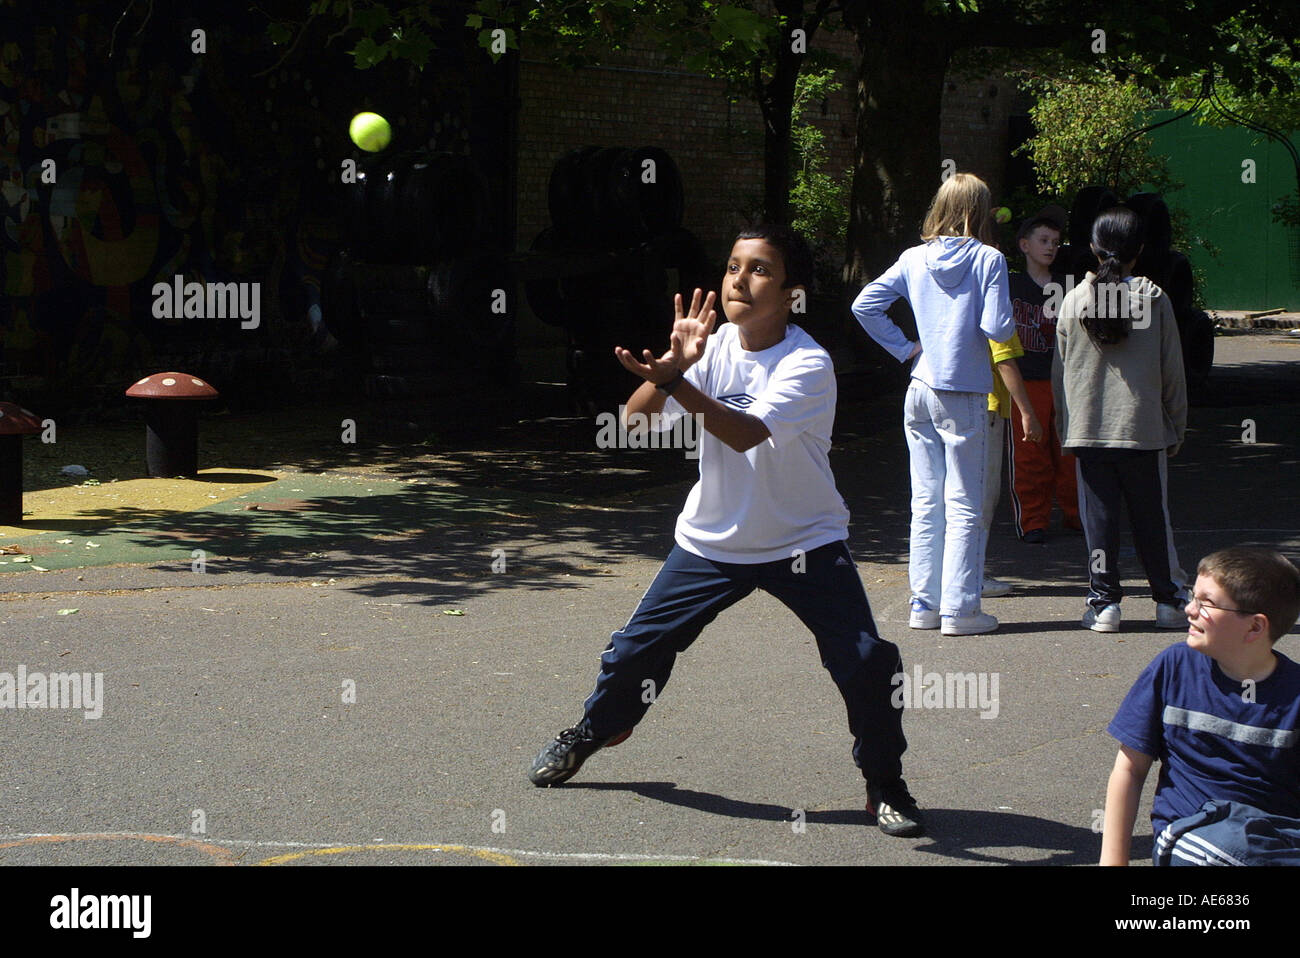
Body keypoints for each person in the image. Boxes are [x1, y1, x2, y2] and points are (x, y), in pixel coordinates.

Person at [528, 224, 924, 838]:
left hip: (804, 543)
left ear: (793, 291)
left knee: (868, 661)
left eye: (760, 269)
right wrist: (673, 370)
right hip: (713, 542)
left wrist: (678, 380)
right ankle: (597, 727)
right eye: (733, 266)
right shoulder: (711, 352)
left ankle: (885, 781)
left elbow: (743, 433)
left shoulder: (808, 363)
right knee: (635, 652)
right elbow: (635, 426)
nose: (740, 279)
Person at [852, 172, 1016, 636]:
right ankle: (961, 610)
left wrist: (906, 347)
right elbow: (999, 326)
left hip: (919, 387)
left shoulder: (913, 257)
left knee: (925, 501)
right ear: (980, 211)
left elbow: (865, 305)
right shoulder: (989, 259)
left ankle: (924, 604)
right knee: (964, 504)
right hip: (963, 391)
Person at [1100, 546, 1300, 865]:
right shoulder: (1174, 669)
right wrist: (1113, 862)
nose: (1190, 609)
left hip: (1274, 843)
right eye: (1193, 596)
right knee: (1219, 851)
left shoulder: (1294, 695)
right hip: (1193, 838)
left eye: (1206, 602)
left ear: (1255, 627)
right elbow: (1129, 769)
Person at [1052, 206, 1187, 632]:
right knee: (1152, 518)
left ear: (1092, 248)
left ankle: (1105, 603)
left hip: (1089, 430)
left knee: (1100, 522)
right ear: (1140, 250)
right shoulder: (1154, 299)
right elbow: (1173, 371)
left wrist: (1064, 430)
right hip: (1142, 429)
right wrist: (1175, 426)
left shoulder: (1073, 301)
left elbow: (1061, 375)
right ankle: (1167, 602)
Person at [1007, 208, 1079, 544]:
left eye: (1055, 242)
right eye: (1043, 240)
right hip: (1025, 382)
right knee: (1030, 454)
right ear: (1024, 245)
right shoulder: (1009, 285)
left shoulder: (1069, 288)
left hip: (1064, 381)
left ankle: (1077, 515)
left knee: (1070, 453)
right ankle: (1033, 520)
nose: (1051, 247)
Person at [981, 332, 1043, 597]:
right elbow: (1004, 359)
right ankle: (971, 574)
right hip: (986, 407)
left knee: (937, 500)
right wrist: (1027, 412)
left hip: (939, 399)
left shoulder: (937, 294)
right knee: (981, 497)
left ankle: (932, 585)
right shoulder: (989, 298)